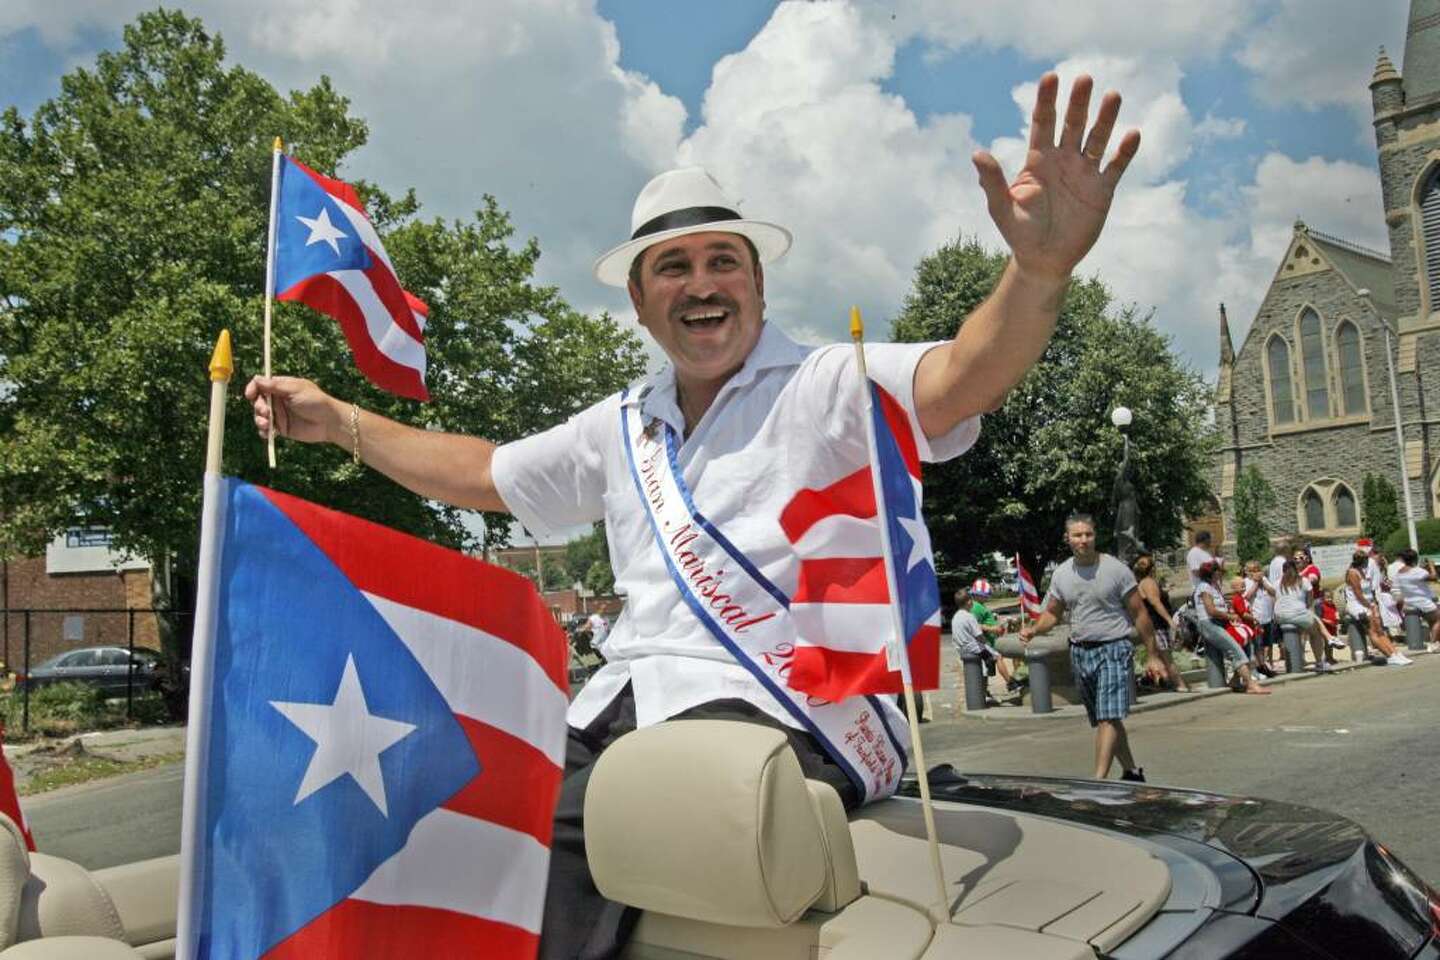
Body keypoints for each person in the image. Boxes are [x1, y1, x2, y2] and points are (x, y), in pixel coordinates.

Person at [245, 73, 1143, 958]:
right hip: (622, 707)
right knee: (447, 803)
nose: (700, 283)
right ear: (640, 302)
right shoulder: (621, 423)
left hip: (787, 711)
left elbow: (963, 377)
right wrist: (341, 422)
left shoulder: (827, 383)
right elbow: (487, 472)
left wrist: (1037, 270)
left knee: (599, 812)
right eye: (672, 267)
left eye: (722, 261)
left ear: (758, 284)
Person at [1020, 514, 1166, 780]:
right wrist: (1034, 629)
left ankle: (1098, 780)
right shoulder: (1062, 574)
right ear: (1068, 539)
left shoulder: (1116, 570)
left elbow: (1140, 613)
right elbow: (1052, 613)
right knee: (1105, 718)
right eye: (1078, 535)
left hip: (1114, 648)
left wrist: (1153, 656)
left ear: (1095, 536)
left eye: (1088, 534)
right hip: (1080, 651)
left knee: (1107, 717)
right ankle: (1132, 771)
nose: (1084, 540)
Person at [1192, 562, 1271, 695]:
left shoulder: (1213, 586)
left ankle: (1235, 680)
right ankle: (1251, 684)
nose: (1221, 573)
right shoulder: (1204, 587)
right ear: (1213, 573)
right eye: (1219, 571)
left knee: (1244, 644)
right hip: (1210, 624)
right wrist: (1230, 616)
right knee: (1236, 650)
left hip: (1220, 622)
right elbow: (1211, 610)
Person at [1131, 553, 1191, 692]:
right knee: (1166, 656)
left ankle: (1153, 681)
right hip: (1156, 624)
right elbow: (1155, 603)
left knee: (1157, 655)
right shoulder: (1148, 582)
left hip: (1153, 624)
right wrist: (1170, 620)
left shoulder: (1143, 583)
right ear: (1153, 569)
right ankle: (1180, 684)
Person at [1343, 551, 1411, 665]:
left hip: (1368, 603)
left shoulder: (1363, 571)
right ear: (1363, 561)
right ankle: (1389, 656)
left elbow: (1371, 591)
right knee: (1373, 631)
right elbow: (1358, 594)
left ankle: (1395, 653)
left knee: (1380, 631)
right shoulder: (1353, 573)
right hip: (1358, 605)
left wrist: (1374, 604)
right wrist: (1370, 607)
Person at [1272, 559, 1332, 670]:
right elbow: (1309, 603)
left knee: (1299, 629)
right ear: (1296, 570)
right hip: (1298, 614)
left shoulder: (1276, 583)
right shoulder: (1303, 581)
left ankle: (1297, 661)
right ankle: (1319, 661)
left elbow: (1275, 601)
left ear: (1283, 571)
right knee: (1315, 633)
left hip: (1280, 616)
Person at [1392, 549, 1440, 650]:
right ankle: (1433, 643)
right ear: (1415, 559)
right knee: (1438, 619)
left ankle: (1436, 642)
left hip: (1410, 601)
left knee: (1433, 622)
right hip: (1424, 602)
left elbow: (1415, 578)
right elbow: (1434, 577)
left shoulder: (1399, 572)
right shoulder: (1418, 571)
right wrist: (1431, 565)